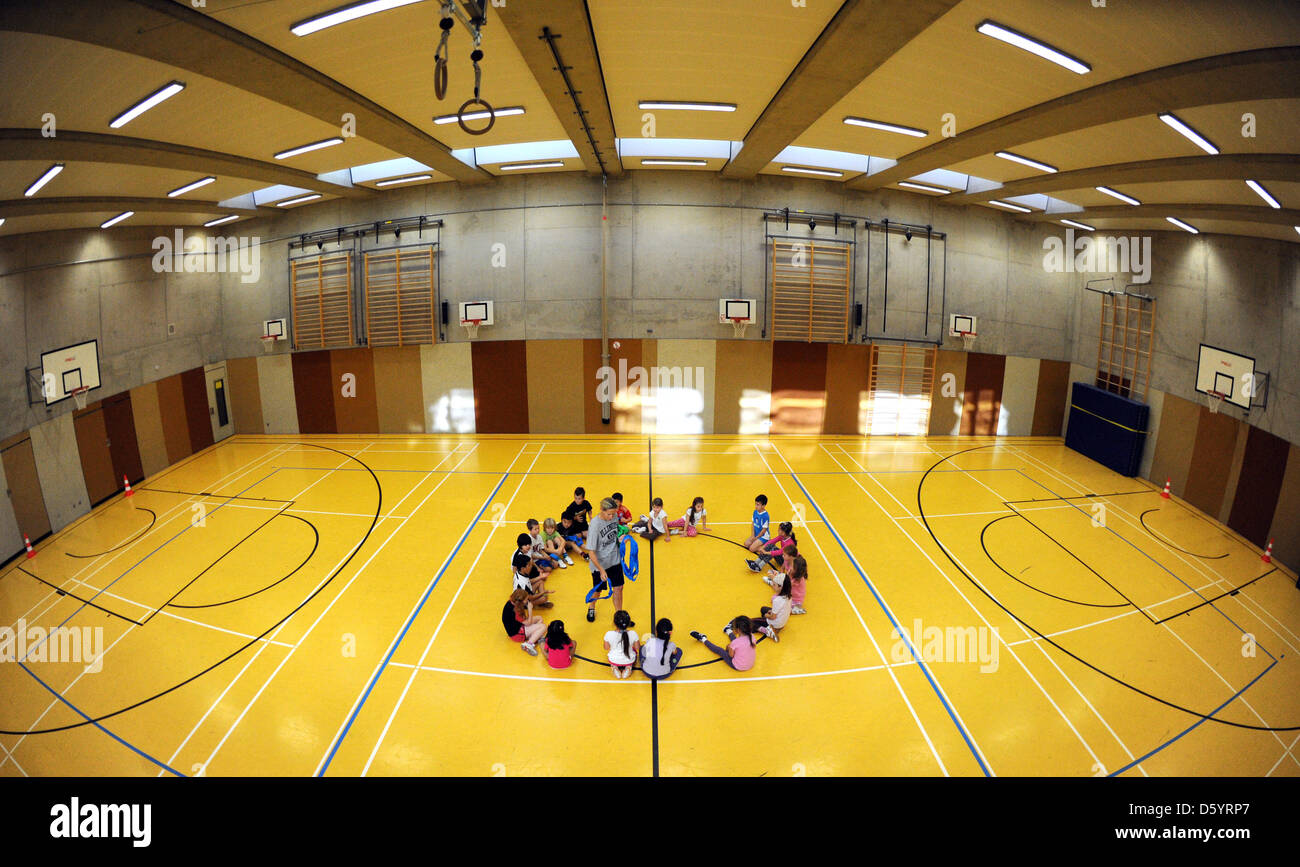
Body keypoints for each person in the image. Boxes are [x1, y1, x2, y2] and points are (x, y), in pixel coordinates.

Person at [585, 498, 625, 621]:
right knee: (598, 591)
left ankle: (619, 616)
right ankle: (592, 607)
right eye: (609, 514)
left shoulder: (614, 517)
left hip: (615, 559)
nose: (612, 516)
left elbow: (614, 532)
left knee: (618, 588)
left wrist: (620, 538)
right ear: (602, 510)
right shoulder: (595, 525)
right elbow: (591, 552)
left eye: (614, 514)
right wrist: (601, 570)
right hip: (600, 564)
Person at [689, 616, 756, 671]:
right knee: (736, 643)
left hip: (738, 666)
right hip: (750, 664)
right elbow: (745, 646)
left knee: (720, 650)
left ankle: (703, 639)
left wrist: (728, 647)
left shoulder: (735, 643)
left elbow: (731, 655)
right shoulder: (752, 636)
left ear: (738, 630)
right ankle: (728, 630)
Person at [511, 532, 552, 607]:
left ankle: (540, 600)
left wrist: (539, 572)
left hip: (525, 588)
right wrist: (543, 593)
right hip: (524, 601)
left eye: (529, 544)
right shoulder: (518, 557)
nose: (528, 546)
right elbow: (530, 597)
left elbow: (530, 561)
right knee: (544, 598)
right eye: (526, 545)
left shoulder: (523, 574)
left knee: (541, 581)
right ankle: (536, 603)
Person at [502, 588, 546, 656]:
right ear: (521, 602)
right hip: (517, 634)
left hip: (516, 626)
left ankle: (535, 636)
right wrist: (530, 609)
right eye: (526, 599)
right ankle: (529, 644)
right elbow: (529, 623)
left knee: (540, 618)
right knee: (543, 627)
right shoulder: (516, 611)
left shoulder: (511, 602)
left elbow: (524, 620)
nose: (527, 601)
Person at [750, 575, 792, 643]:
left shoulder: (777, 600)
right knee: (763, 609)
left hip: (775, 623)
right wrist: (771, 611)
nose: (772, 585)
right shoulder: (789, 596)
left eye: (774, 585)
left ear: (780, 587)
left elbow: (773, 617)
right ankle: (777, 628)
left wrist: (766, 615)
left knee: (749, 622)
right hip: (782, 622)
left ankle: (768, 630)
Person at [603, 610, 638, 678]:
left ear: (614, 623)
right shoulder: (633, 633)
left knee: (613, 655)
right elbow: (637, 647)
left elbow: (606, 648)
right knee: (634, 652)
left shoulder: (608, 634)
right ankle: (628, 667)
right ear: (628, 623)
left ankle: (614, 667)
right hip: (629, 660)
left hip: (613, 659)